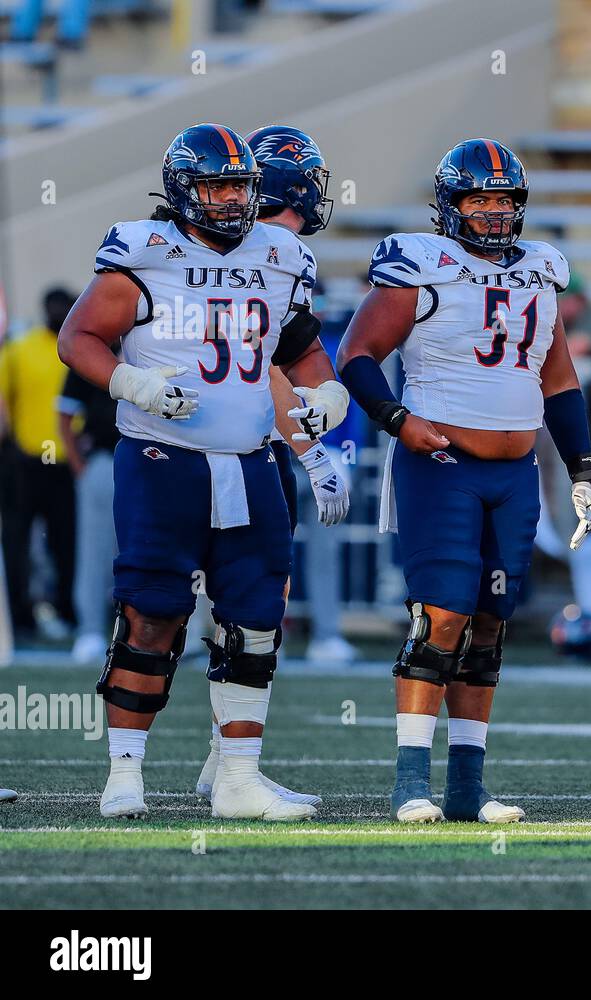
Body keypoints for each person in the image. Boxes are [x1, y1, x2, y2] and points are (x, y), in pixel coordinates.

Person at [58, 123, 351, 821]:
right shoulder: (145, 250)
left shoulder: (279, 253)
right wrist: (133, 383)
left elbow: (301, 346)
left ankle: (238, 780)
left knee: (255, 620)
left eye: (241, 186)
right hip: (162, 460)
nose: (229, 199)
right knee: (152, 613)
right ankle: (125, 770)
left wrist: (326, 394)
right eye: (215, 185)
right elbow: (80, 338)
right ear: (182, 190)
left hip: (248, 464)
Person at [337, 138, 591, 824]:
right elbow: (357, 355)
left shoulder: (543, 268)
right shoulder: (420, 265)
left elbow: (559, 380)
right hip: (443, 465)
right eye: (479, 199)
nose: (493, 212)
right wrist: (398, 420)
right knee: (441, 617)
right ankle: (410, 781)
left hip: (514, 473)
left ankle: (466, 786)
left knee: (489, 625)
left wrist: (581, 467)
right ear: (450, 205)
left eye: (505, 200)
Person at [191, 124, 351, 809]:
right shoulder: (267, 250)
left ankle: (224, 764)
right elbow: (265, 374)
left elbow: (289, 362)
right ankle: (162, 768)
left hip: (226, 445)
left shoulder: (268, 250)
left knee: (247, 611)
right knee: (237, 609)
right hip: (219, 449)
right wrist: (313, 451)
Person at [0, 286, 78, 639]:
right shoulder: (21, 348)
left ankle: (65, 609)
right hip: (27, 460)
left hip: (65, 463)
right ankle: (20, 615)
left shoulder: (75, 347)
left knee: (65, 543)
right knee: (17, 542)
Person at [58, 352, 121, 665]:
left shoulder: (158, 338)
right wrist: (78, 466)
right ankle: (91, 630)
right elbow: (65, 413)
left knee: (156, 550)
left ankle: (149, 629)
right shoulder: (92, 347)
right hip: (105, 458)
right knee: (94, 549)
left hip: (155, 462)